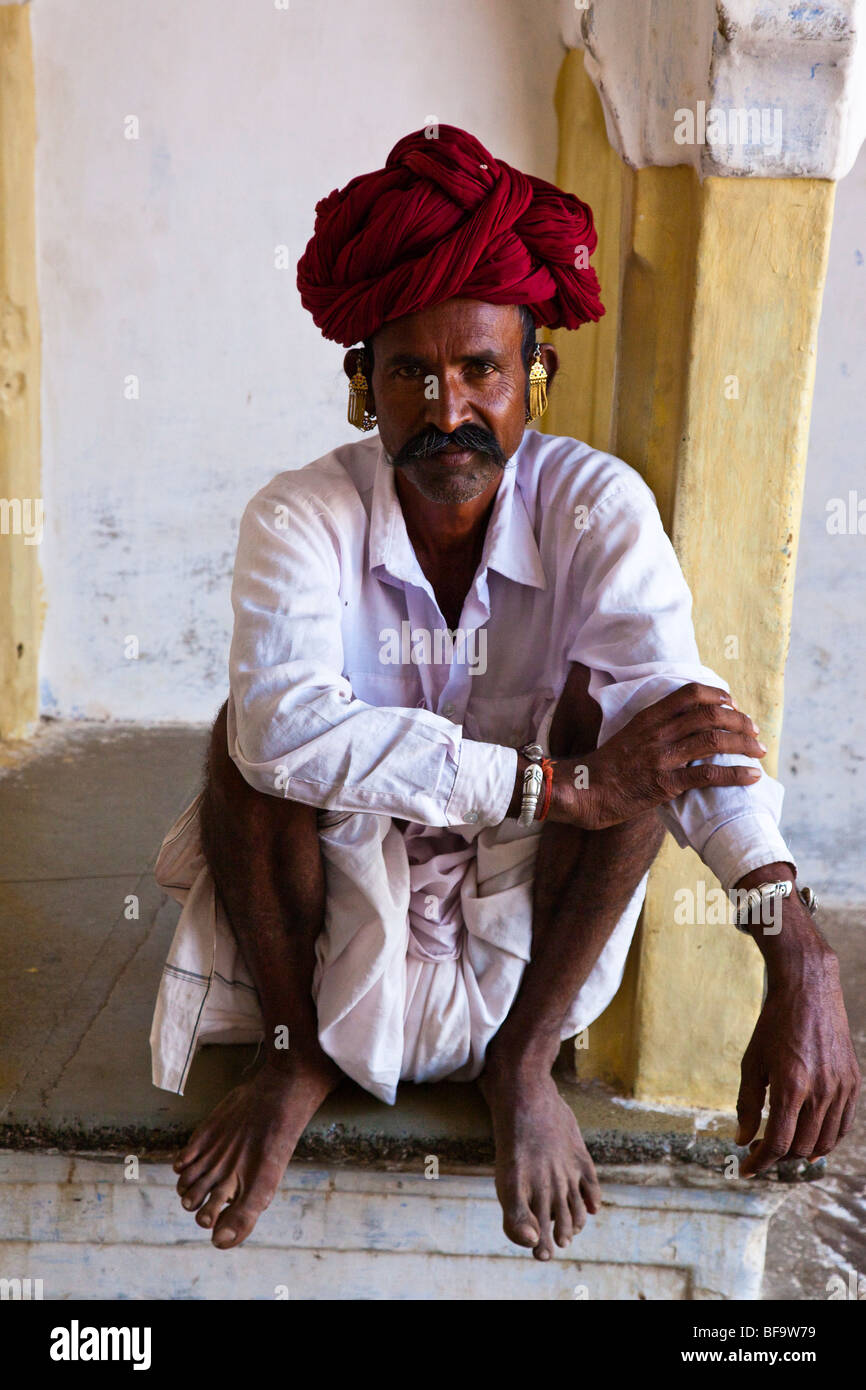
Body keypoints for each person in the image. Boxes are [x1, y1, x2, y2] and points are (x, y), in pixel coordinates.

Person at [151, 125, 860, 1261]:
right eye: (409, 374)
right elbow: (288, 736)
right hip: (332, 898)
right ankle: (295, 1054)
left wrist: (797, 954)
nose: (447, 412)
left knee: (640, 734)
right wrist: (551, 782)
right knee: (251, 737)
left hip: (533, 925)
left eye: (480, 369)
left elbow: (686, 728)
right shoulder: (295, 517)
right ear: (360, 389)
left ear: (534, 375)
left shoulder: (594, 506)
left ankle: (521, 1067)